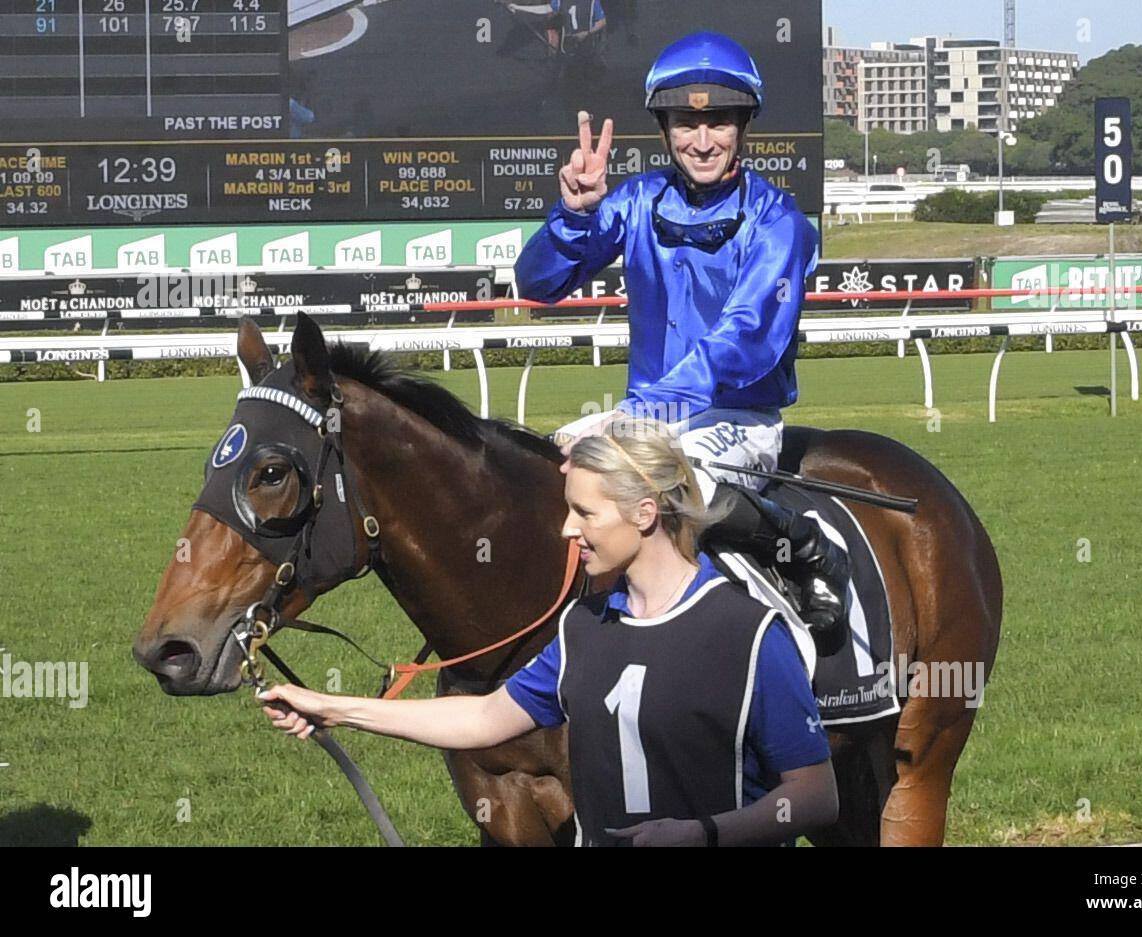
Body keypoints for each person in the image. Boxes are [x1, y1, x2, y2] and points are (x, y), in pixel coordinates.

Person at [260, 418, 838, 847]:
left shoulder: (750, 633)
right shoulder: (583, 627)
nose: (567, 529)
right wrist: (329, 708)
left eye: (585, 513)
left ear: (644, 514)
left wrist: (704, 834)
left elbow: (814, 797)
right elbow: (483, 718)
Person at [513, 31, 852, 656]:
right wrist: (576, 216)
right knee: (541, 472)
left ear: (744, 124)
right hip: (642, 421)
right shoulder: (639, 201)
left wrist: (643, 411)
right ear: (665, 129)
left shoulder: (779, 223)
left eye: (718, 122)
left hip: (737, 418)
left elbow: (745, 342)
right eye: (684, 124)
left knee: (673, 480)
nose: (701, 141)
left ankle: (804, 548)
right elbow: (539, 285)